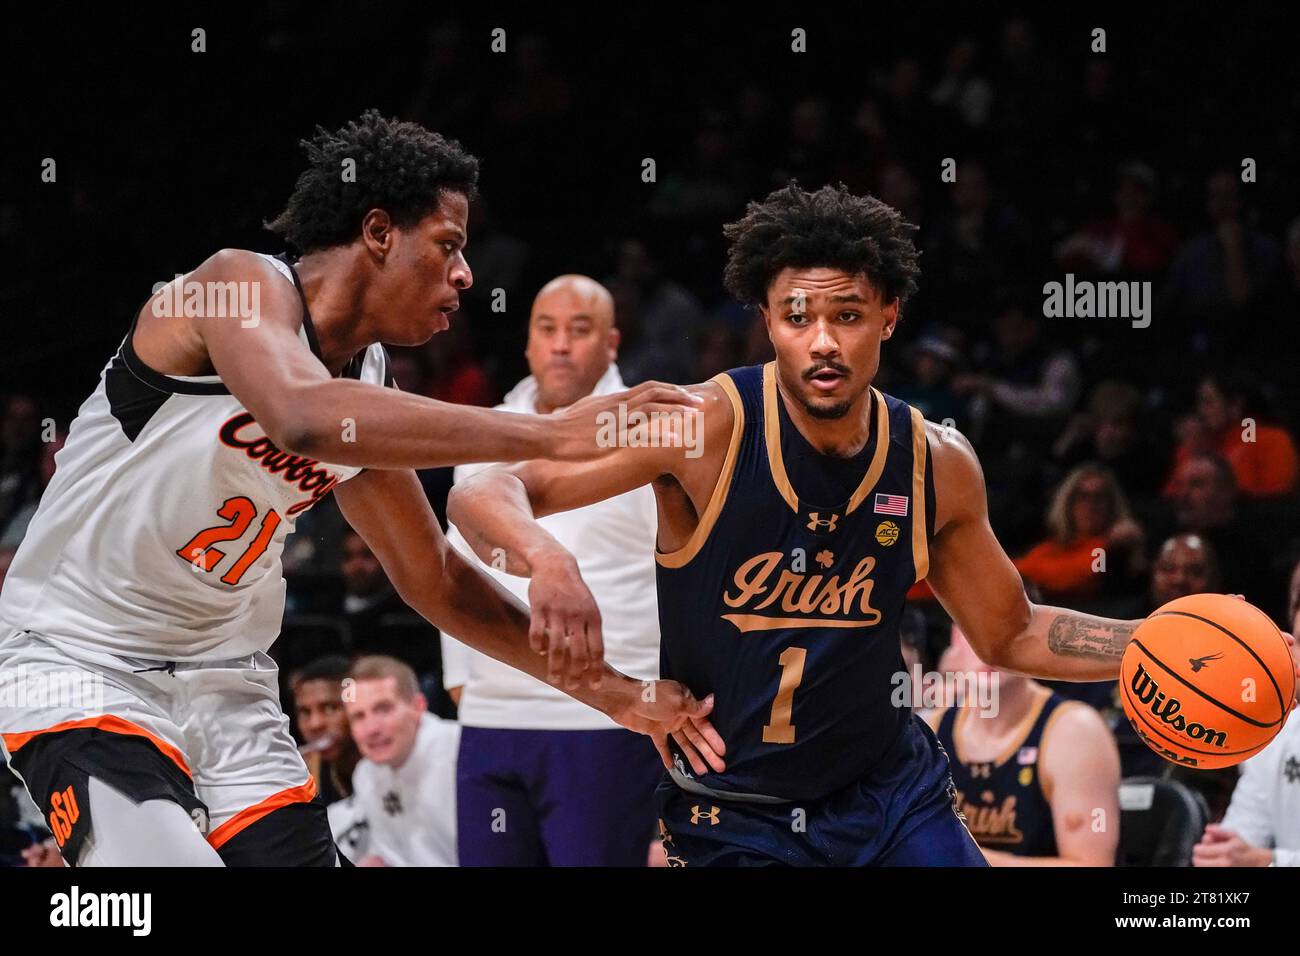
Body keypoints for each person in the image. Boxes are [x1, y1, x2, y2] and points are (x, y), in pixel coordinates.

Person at [451, 183, 1298, 866]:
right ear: (769, 322)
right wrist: (546, 557)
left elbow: (1010, 631)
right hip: (736, 807)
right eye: (797, 317)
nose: (822, 341)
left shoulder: (937, 461)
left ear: (888, 316)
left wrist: (1153, 643)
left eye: (847, 315)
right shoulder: (703, 424)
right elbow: (481, 490)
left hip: (888, 793)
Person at [0, 111, 716, 867]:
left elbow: (436, 581)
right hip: (79, 661)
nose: (466, 275)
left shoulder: (367, 385)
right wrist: (556, 431)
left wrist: (616, 695)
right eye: (448, 246)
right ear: (379, 232)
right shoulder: (231, 284)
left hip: (226, 685)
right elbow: (302, 418)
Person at [442, 275, 664, 866]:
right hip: (490, 718)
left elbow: (681, 569)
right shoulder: (484, 432)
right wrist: (461, 683)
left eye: (580, 330)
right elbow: (451, 561)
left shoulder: (652, 433)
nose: (561, 344)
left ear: (612, 343)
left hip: (606, 720)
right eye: (548, 329)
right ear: (528, 343)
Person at [929, 628, 1120, 865]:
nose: (988, 648)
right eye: (972, 630)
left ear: (1032, 640)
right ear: (955, 641)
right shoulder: (930, 729)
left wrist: (965, 857)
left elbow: (1094, 864)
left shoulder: (1076, 731)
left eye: (1002, 631)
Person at [346, 656, 459, 866]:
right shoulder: (365, 774)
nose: (371, 729)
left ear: (418, 706)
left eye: (383, 709)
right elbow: (390, 855)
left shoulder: (459, 753)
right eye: (358, 717)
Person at [290, 655, 368, 861]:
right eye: (305, 712)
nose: (315, 724)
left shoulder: (387, 762)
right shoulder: (301, 773)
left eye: (330, 708)